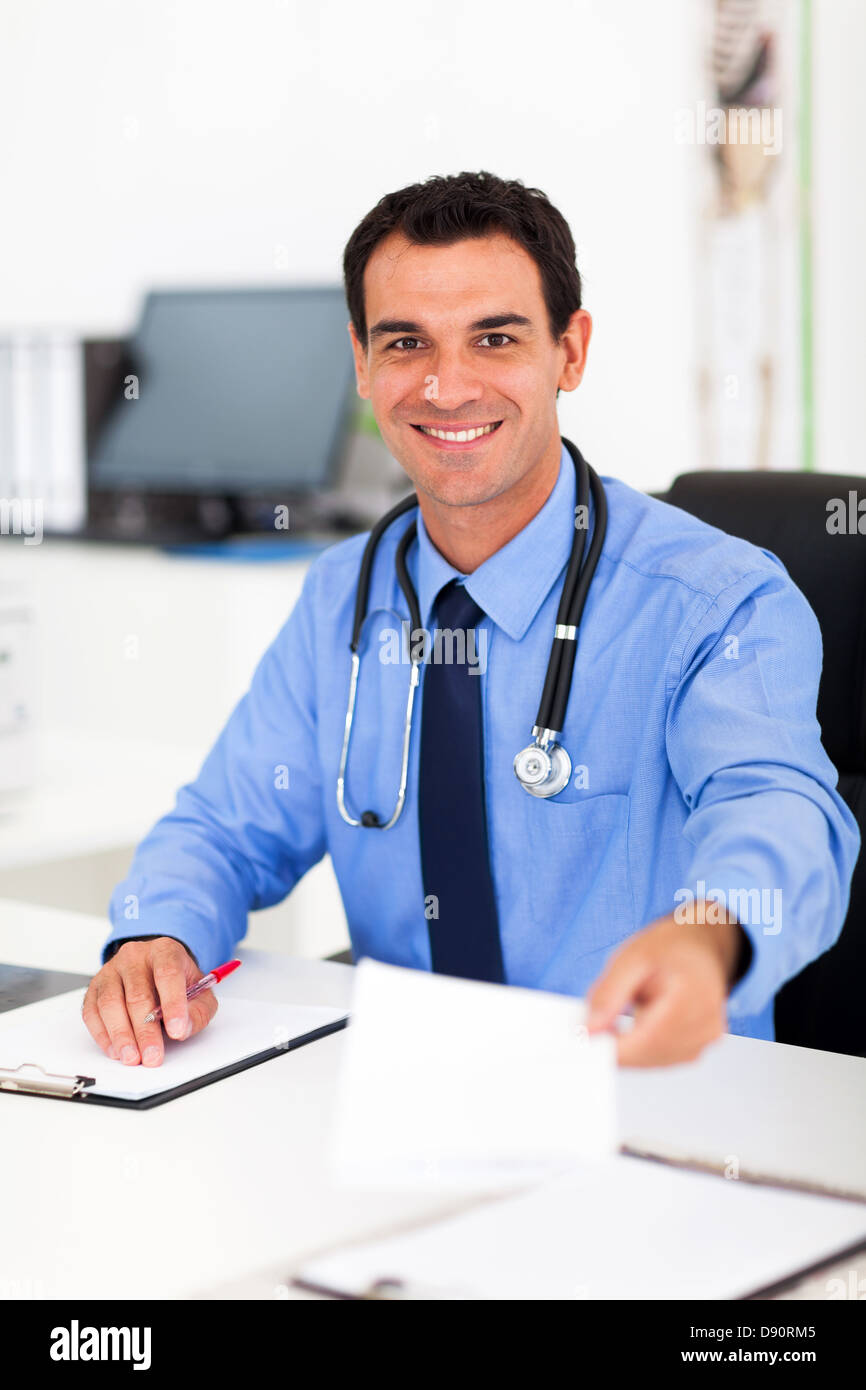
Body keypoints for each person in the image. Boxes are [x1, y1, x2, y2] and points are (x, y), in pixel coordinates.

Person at [83, 170, 859, 1072]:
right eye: (406, 342)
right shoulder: (344, 596)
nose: (447, 387)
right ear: (363, 364)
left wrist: (710, 936)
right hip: (409, 1098)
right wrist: (159, 936)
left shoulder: (716, 601)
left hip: (653, 1102)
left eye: (495, 338)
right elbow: (223, 829)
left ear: (570, 352)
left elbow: (781, 812)